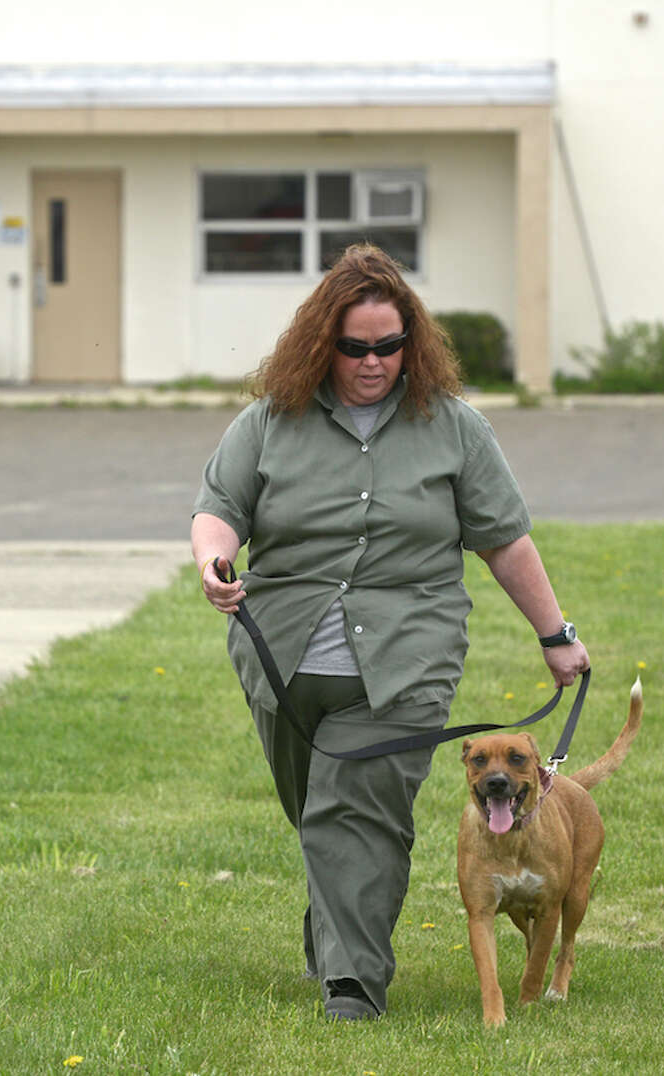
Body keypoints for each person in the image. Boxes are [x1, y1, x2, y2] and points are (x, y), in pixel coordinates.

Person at [190, 243, 589, 1022]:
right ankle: (336, 935)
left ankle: (353, 986)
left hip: (407, 658)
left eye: (388, 345)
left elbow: (504, 539)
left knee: (359, 816)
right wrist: (214, 560)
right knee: (317, 814)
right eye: (353, 347)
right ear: (322, 342)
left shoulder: (455, 429)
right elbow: (220, 507)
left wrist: (554, 633)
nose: (372, 362)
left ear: (413, 341)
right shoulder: (270, 421)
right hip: (284, 661)